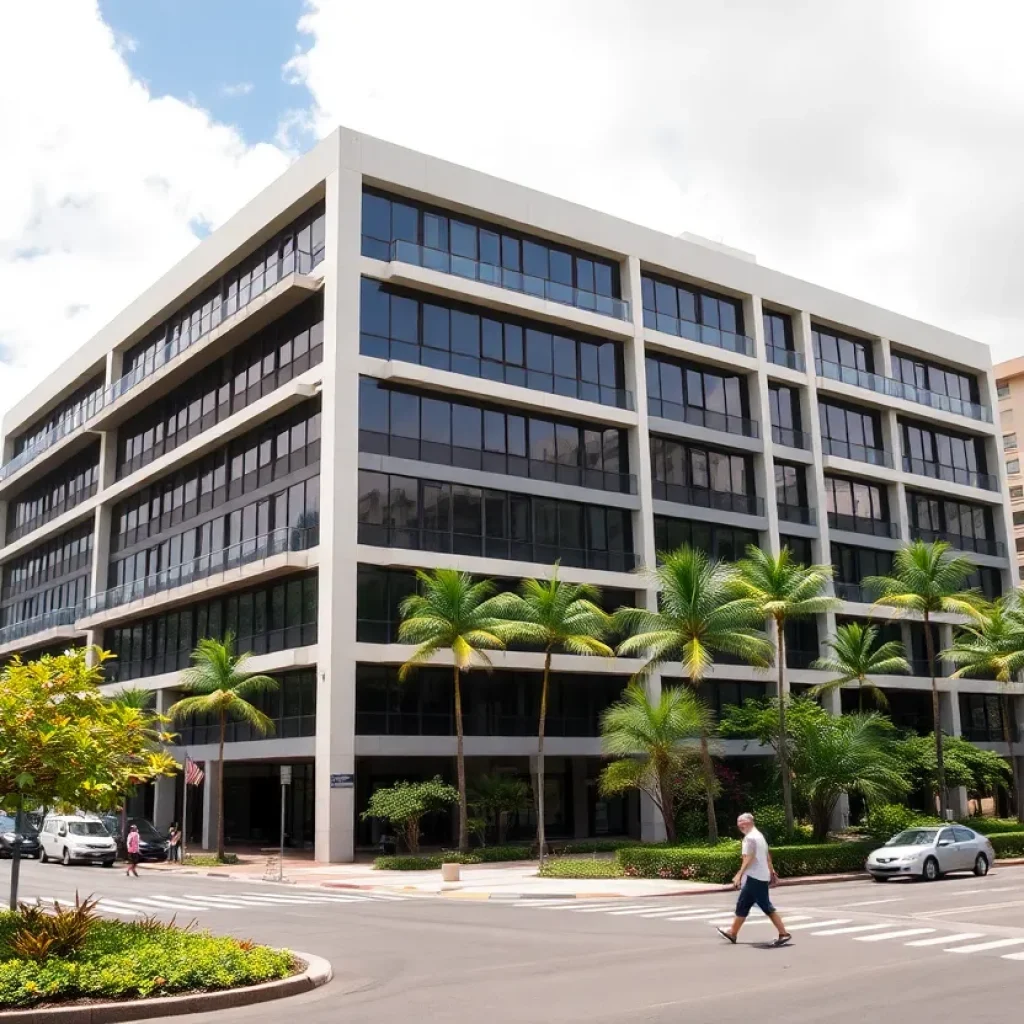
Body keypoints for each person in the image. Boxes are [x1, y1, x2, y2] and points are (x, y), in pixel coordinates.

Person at [717, 812, 791, 947]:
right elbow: (767, 855)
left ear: (750, 822)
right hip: (759, 876)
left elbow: (749, 857)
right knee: (743, 904)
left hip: (755, 877)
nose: (740, 825)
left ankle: (783, 933)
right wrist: (771, 870)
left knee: (766, 906)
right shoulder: (760, 836)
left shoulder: (750, 838)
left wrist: (739, 874)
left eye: (742, 822)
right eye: (738, 822)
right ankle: (732, 932)